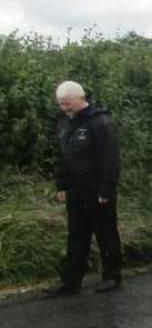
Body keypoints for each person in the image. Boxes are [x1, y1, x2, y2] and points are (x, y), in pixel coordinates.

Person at [46, 81, 124, 296]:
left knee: (105, 234)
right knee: (76, 236)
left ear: (81, 98)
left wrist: (106, 190)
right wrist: (62, 185)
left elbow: (111, 159)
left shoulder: (100, 122)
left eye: (67, 103)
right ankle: (70, 282)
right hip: (74, 189)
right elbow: (63, 156)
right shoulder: (63, 121)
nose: (64, 108)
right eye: (60, 103)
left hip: (97, 189)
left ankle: (112, 276)